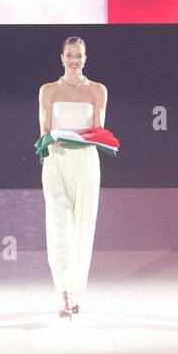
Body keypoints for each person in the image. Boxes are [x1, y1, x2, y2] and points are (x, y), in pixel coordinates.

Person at [37, 36, 108, 318]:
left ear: (85, 57)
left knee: (81, 226)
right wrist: (46, 144)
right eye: (70, 55)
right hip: (57, 160)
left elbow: (99, 131)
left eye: (79, 55)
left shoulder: (98, 90)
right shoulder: (48, 90)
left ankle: (75, 290)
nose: (74, 60)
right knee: (58, 225)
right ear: (62, 57)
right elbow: (44, 129)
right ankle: (62, 293)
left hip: (86, 162)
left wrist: (79, 140)